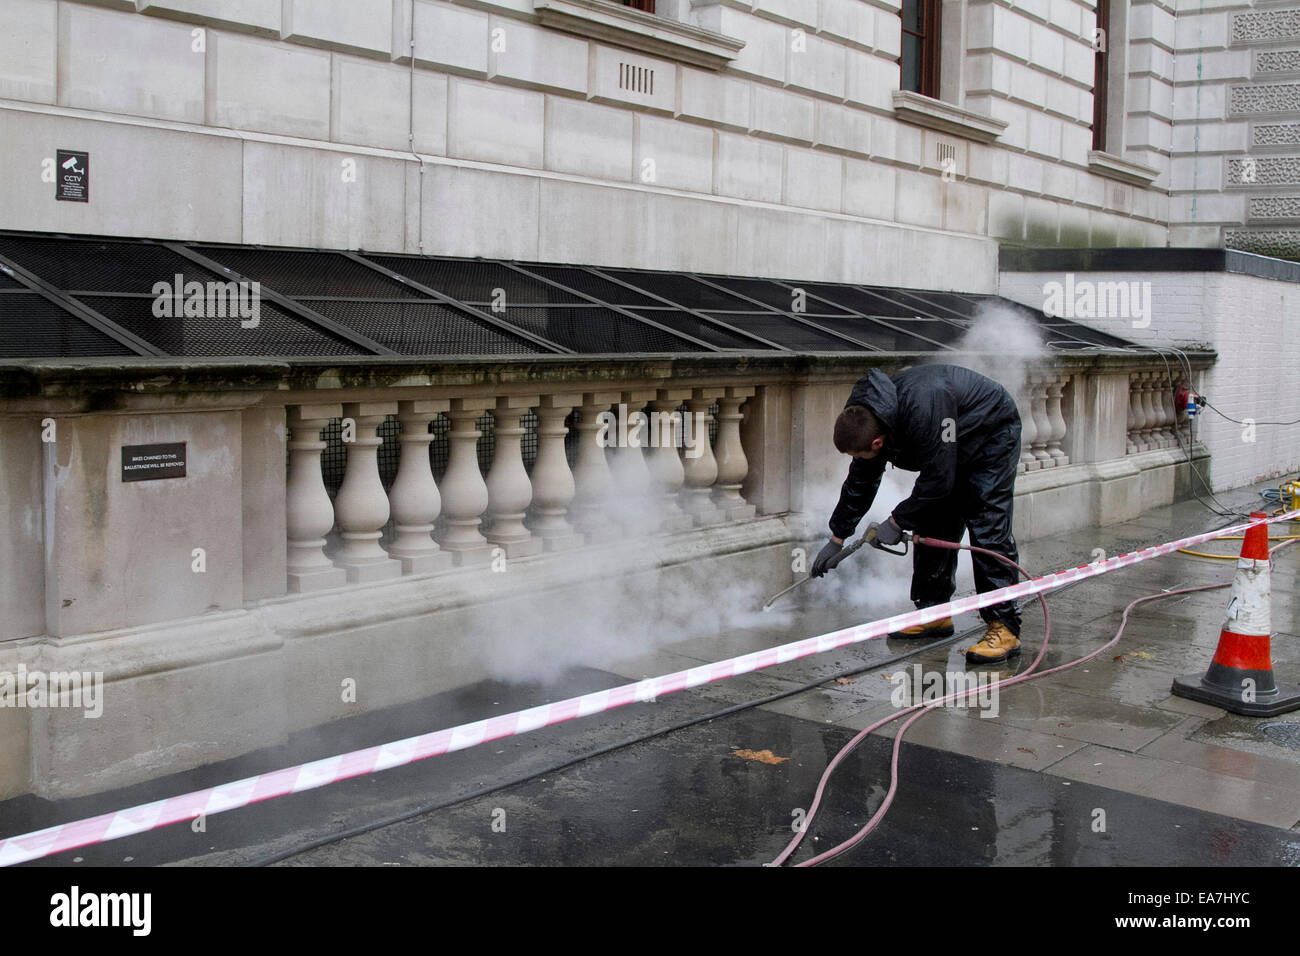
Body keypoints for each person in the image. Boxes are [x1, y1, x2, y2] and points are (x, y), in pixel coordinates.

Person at [810, 364, 1024, 664]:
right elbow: (861, 480)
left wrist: (897, 521)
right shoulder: (869, 418)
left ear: (877, 443)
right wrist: (837, 535)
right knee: (933, 520)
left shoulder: (923, 408)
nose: (856, 460)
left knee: (986, 523)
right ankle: (934, 613)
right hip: (948, 441)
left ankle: (1004, 627)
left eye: (858, 454)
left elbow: (938, 479)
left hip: (990, 432)